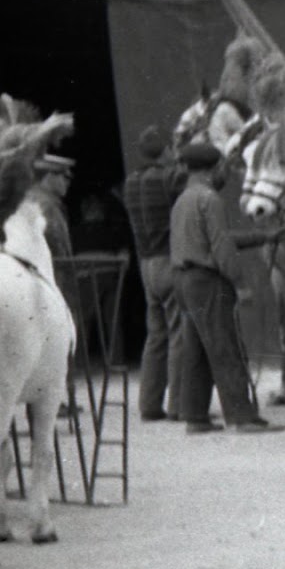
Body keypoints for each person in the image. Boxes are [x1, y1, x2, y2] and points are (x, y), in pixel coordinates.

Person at [170, 142, 280, 434]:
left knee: (196, 350)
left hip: (184, 279)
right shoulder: (210, 198)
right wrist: (241, 283)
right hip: (208, 281)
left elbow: (215, 238)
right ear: (214, 168)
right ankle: (242, 417)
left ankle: (195, 417)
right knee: (225, 347)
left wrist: (261, 237)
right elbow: (221, 247)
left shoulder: (184, 199)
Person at [122, 126, 187, 421]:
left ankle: (149, 405)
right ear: (165, 151)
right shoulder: (169, 177)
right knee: (178, 335)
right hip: (168, 260)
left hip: (146, 263)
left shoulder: (131, 182)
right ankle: (178, 405)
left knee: (156, 336)